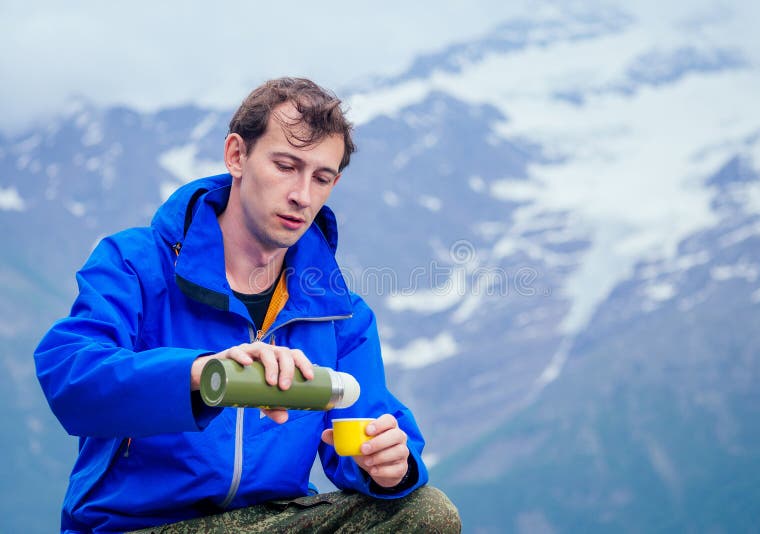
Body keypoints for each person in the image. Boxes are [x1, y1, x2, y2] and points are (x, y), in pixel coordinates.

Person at [34, 77, 461, 533]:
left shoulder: (342, 314)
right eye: (286, 166)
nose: (303, 195)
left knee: (426, 511)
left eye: (321, 178)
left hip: (266, 523)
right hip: (138, 527)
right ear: (237, 155)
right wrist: (202, 372)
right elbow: (70, 375)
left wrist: (391, 464)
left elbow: (367, 428)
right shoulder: (135, 264)